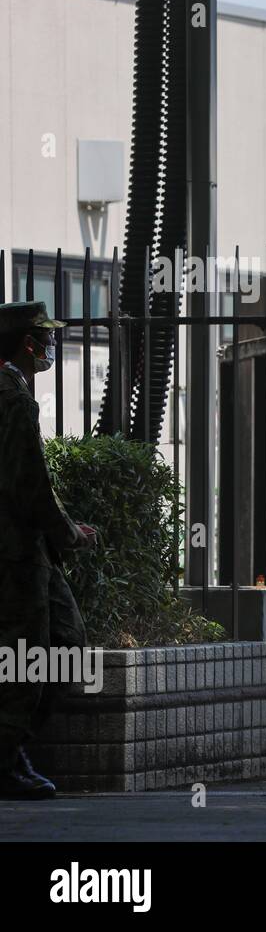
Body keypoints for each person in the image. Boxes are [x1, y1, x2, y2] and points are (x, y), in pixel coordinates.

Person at [0, 302, 97, 800]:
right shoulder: (12, 398)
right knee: (38, 654)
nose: (48, 347)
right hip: (18, 557)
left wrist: (60, 528)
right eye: (42, 337)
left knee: (55, 646)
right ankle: (7, 759)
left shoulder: (12, 392)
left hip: (29, 549)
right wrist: (68, 534)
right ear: (25, 343)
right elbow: (29, 483)